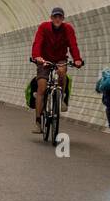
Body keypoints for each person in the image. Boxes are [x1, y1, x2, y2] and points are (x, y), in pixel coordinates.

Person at [29, 7, 83, 135]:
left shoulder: (68, 29)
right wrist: (37, 56)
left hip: (60, 59)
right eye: (55, 17)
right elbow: (37, 43)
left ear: (63, 18)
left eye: (60, 17)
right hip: (44, 60)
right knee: (41, 87)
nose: (57, 19)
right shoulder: (44, 27)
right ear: (51, 18)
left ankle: (61, 97)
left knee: (62, 72)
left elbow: (73, 45)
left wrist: (77, 59)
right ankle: (38, 122)